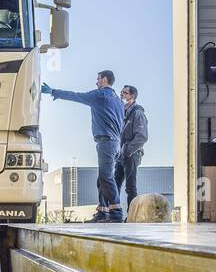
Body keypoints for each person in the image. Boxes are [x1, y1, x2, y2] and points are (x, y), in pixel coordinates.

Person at [42, 70, 125, 222]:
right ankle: (103, 212)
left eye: (98, 79)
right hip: (115, 143)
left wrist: (53, 91)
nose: (96, 82)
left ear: (104, 80)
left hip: (106, 141)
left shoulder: (101, 95)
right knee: (102, 178)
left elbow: (76, 96)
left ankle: (116, 213)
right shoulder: (118, 100)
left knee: (106, 177)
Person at [115, 84, 148, 215]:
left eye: (125, 93)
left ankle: (131, 216)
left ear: (132, 96)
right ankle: (114, 214)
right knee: (114, 184)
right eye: (121, 92)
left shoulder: (138, 113)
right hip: (121, 155)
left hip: (131, 154)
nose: (121, 94)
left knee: (130, 187)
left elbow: (142, 136)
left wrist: (127, 150)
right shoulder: (122, 113)